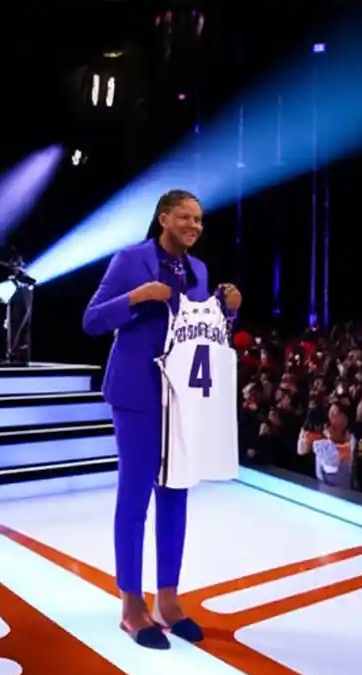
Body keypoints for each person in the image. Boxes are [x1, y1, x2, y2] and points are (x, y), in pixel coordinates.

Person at [82, 189, 242, 650]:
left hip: (182, 396)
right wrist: (136, 297)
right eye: (186, 217)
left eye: (200, 218)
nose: (195, 224)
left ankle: (168, 599)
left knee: (176, 493)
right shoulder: (130, 260)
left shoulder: (200, 271)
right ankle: (131, 604)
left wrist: (229, 308)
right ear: (163, 218)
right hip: (136, 393)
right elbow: (92, 321)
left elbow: (201, 332)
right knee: (135, 498)